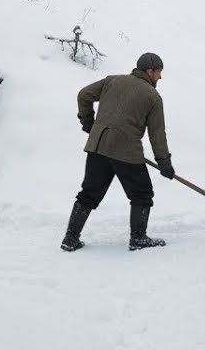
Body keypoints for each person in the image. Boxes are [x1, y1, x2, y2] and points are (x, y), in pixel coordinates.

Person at [61, 52, 175, 252]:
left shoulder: (112, 81)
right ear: (149, 71)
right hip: (126, 151)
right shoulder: (152, 96)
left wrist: (88, 122)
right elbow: (157, 133)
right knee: (142, 194)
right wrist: (164, 161)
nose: (160, 77)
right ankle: (138, 239)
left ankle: (70, 239)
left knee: (89, 193)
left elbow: (83, 95)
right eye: (158, 72)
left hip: (98, 146)